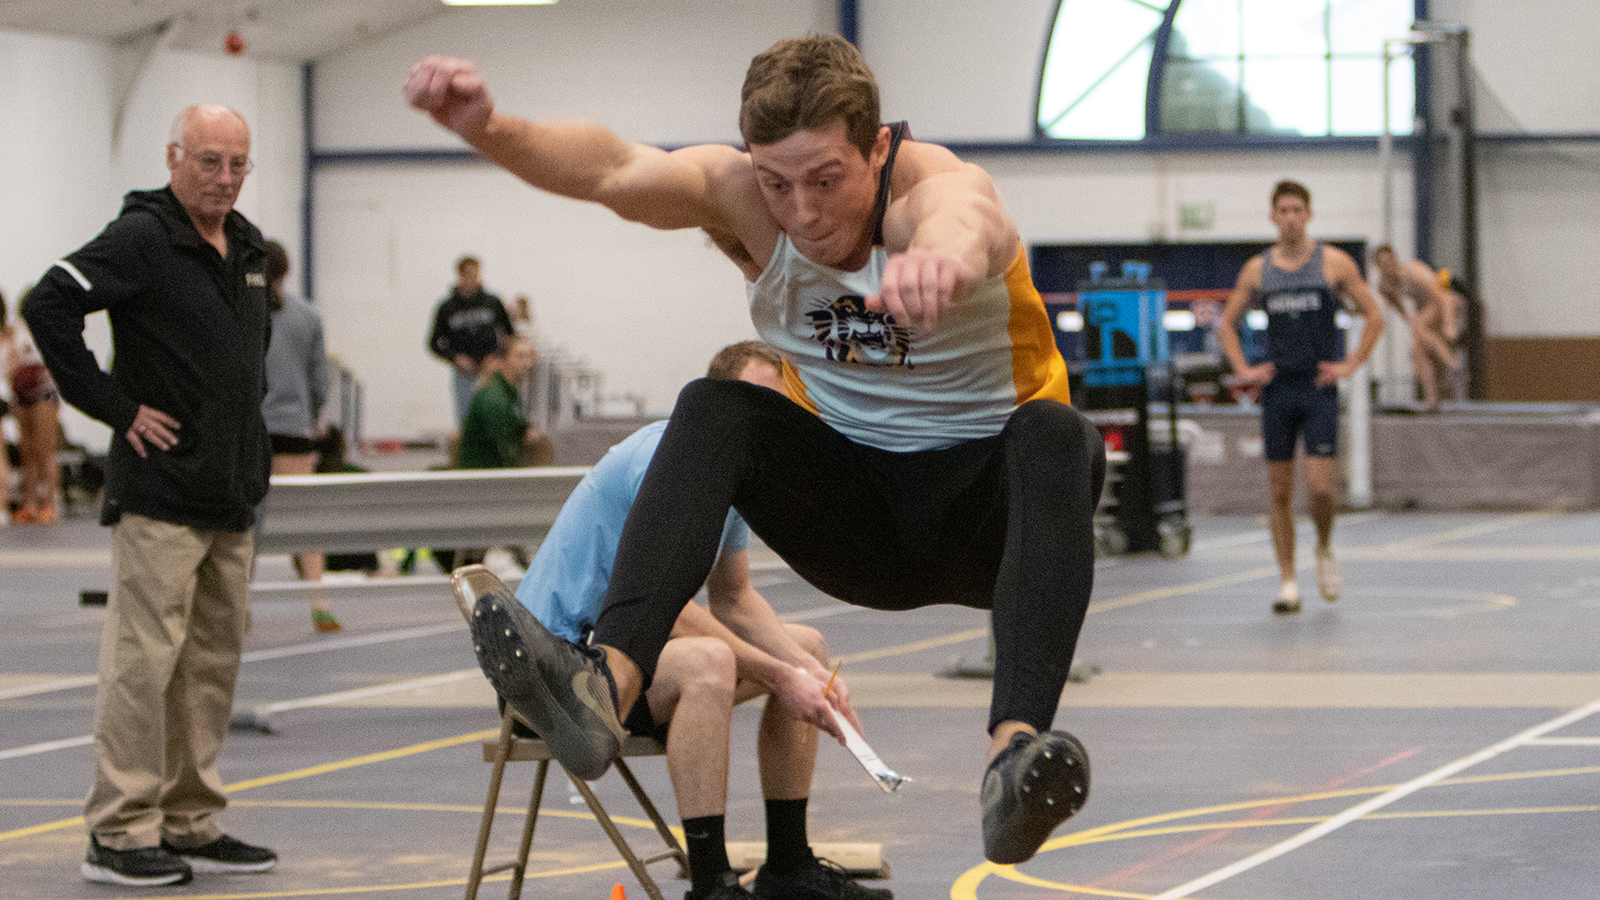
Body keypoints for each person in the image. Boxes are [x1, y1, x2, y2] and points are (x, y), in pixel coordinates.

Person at [408, 33, 1104, 867]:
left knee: (1060, 433)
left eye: (827, 180)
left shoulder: (929, 188)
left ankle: (1012, 759)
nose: (804, 213)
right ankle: (606, 685)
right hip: (857, 527)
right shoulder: (746, 201)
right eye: (778, 183)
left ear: (877, 147)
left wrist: (939, 263)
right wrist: (490, 128)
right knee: (715, 405)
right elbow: (614, 170)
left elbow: (969, 218)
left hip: (984, 524)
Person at [502, 341, 889, 900]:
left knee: (809, 645)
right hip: (558, 675)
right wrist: (782, 676)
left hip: (622, 659)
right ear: (719, 403)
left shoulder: (729, 472)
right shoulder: (665, 462)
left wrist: (803, 668)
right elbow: (663, 609)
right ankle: (712, 884)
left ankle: (788, 865)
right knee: (710, 662)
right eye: (757, 401)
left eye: (779, 405)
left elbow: (733, 597)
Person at [22, 104, 279, 887]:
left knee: (209, 669)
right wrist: (115, 408)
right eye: (208, 161)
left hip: (230, 494)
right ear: (173, 156)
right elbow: (47, 303)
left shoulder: (246, 245)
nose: (225, 178)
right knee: (144, 667)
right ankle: (120, 832)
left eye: (237, 163)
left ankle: (188, 819)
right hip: (162, 495)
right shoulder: (142, 236)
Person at [1216, 180, 1384, 615]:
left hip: (1318, 388)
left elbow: (1375, 316)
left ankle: (1324, 547)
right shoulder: (1258, 270)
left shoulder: (1333, 264)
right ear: (1272, 216)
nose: (1290, 217)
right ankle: (1287, 580)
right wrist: (1243, 369)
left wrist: (1350, 365)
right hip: (1278, 391)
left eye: (1298, 210)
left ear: (1308, 214)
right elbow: (1225, 324)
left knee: (1322, 488)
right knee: (1279, 490)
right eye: (1283, 210)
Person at [259, 239, 340, 632]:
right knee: (307, 521)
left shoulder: (239, 314)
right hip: (294, 428)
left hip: (252, 428)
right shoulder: (307, 316)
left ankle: (239, 605)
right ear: (287, 272)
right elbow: (319, 381)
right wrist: (314, 416)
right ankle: (318, 600)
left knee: (245, 520)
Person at [1370, 244, 1462, 411]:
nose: (1389, 268)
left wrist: (1448, 322)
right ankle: (1432, 402)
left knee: (1421, 328)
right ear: (1378, 266)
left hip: (1437, 301)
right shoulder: (1383, 286)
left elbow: (1438, 292)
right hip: (1421, 309)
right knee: (1417, 353)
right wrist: (1409, 320)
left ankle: (1452, 364)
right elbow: (1397, 304)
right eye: (1384, 265)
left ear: (1395, 260)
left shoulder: (1411, 270)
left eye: (1391, 262)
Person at [428, 255, 513, 426]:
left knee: (493, 418)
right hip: (464, 373)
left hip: (490, 370)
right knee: (467, 420)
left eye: (475, 275)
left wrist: (498, 358)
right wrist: (455, 358)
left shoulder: (493, 303)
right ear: (459, 276)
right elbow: (434, 343)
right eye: (467, 275)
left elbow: (509, 334)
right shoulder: (447, 308)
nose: (472, 280)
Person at [3, 290, 63, 525]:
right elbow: (11, 361)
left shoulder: (46, 327)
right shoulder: (16, 329)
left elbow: (53, 360)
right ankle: (29, 503)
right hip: (22, 393)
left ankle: (49, 503)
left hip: (43, 393)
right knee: (27, 451)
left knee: (45, 450)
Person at [458, 335, 544, 470]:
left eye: (530, 356)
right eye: (520, 356)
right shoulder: (495, 398)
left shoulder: (508, 393)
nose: (527, 363)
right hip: (482, 479)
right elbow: (506, 451)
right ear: (503, 360)